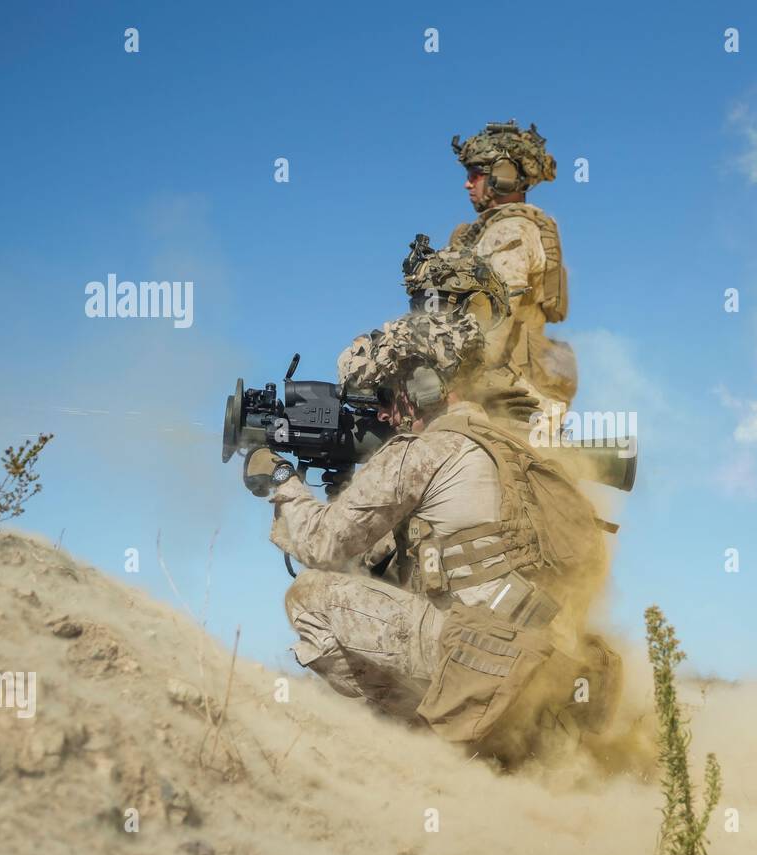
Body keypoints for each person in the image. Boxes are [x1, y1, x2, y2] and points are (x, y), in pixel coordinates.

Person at [243, 311, 618, 756]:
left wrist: (280, 476)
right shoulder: (508, 445)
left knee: (309, 596)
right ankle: (505, 741)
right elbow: (378, 567)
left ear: (425, 384)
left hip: (483, 663)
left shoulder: (426, 450)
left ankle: (416, 746)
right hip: (538, 662)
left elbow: (322, 544)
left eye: (384, 394)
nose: (381, 412)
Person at [447, 121, 577, 409]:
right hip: (502, 385)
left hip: (510, 392)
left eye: (475, 174)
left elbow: (500, 314)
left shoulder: (511, 229)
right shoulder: (487, 231)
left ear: (502, 177)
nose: (467, 183)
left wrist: (459, 385)